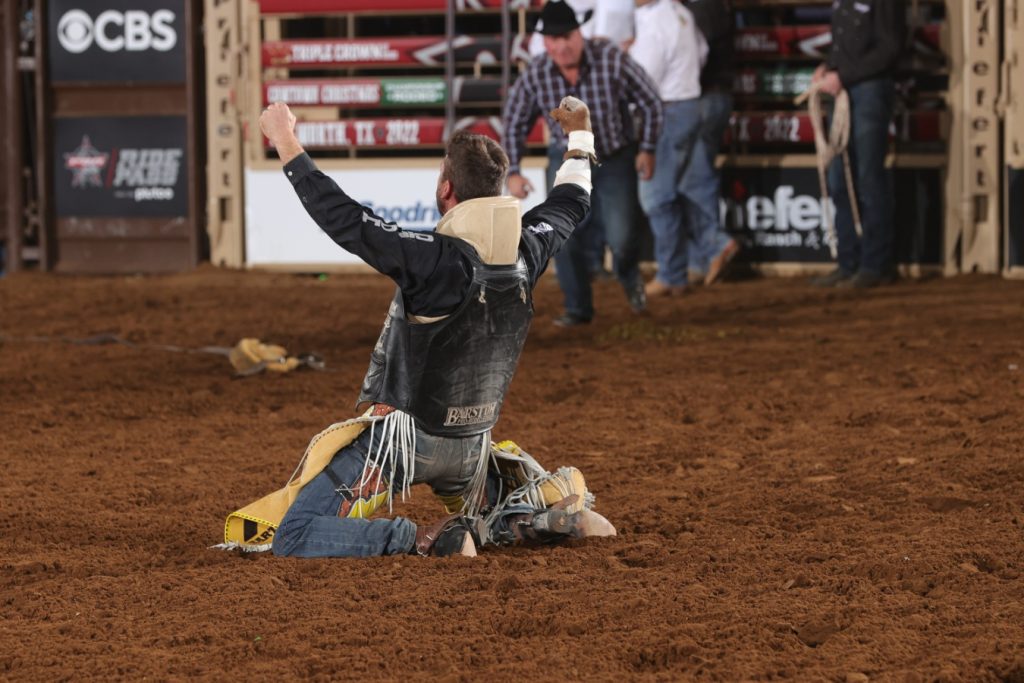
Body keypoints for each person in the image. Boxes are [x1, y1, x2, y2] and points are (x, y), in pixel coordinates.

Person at [256, 97, 613, 558]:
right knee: (495, 505)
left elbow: (347, 220)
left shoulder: (433, 261)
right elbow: (573, 199)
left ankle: (426, 538)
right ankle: (527, 521)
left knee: (295, 535)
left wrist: (286, 141)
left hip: (404, 444)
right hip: (473, 448)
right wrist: (579, 133)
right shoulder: (528, 252)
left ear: (447, 190)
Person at [502, 0, 663, 327]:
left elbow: (651, 101)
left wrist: (647, 149)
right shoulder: (536, 73)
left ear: (579, 34)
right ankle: (578, 308)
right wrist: (514, 171)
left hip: (613, 157)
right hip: (567, 163)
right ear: (545, 43)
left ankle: (627, 273)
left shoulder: (610, 59)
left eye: (567, 37)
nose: (562, 45)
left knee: (621, 237)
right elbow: (514, 121)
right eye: (554, 39)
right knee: (563, 237)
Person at [811, 0, 906, 288]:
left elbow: (890, 48)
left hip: (870, 90)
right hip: (849, 91)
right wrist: (829, 67)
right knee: (841, 180)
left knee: (867, 177)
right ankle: (849, 262)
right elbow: (847, 47)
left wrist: (842, 75)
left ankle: (874, 264)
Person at [629, 0, 709, 297]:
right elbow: (702, 51)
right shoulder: (681, 12)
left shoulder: (653, 19)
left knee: (656, 196)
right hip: (688, 103)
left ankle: (673, 273)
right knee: (685, 189)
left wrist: (625, 56)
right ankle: (701, 257)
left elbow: (644, 76)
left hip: (666, 109)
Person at [685, 0, 739, 285]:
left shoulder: (700, 7)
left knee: (694, 179)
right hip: (708, 97)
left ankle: (716, 244)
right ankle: (700, 260)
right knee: (691, 178)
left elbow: (695, 56)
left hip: (703, 97)